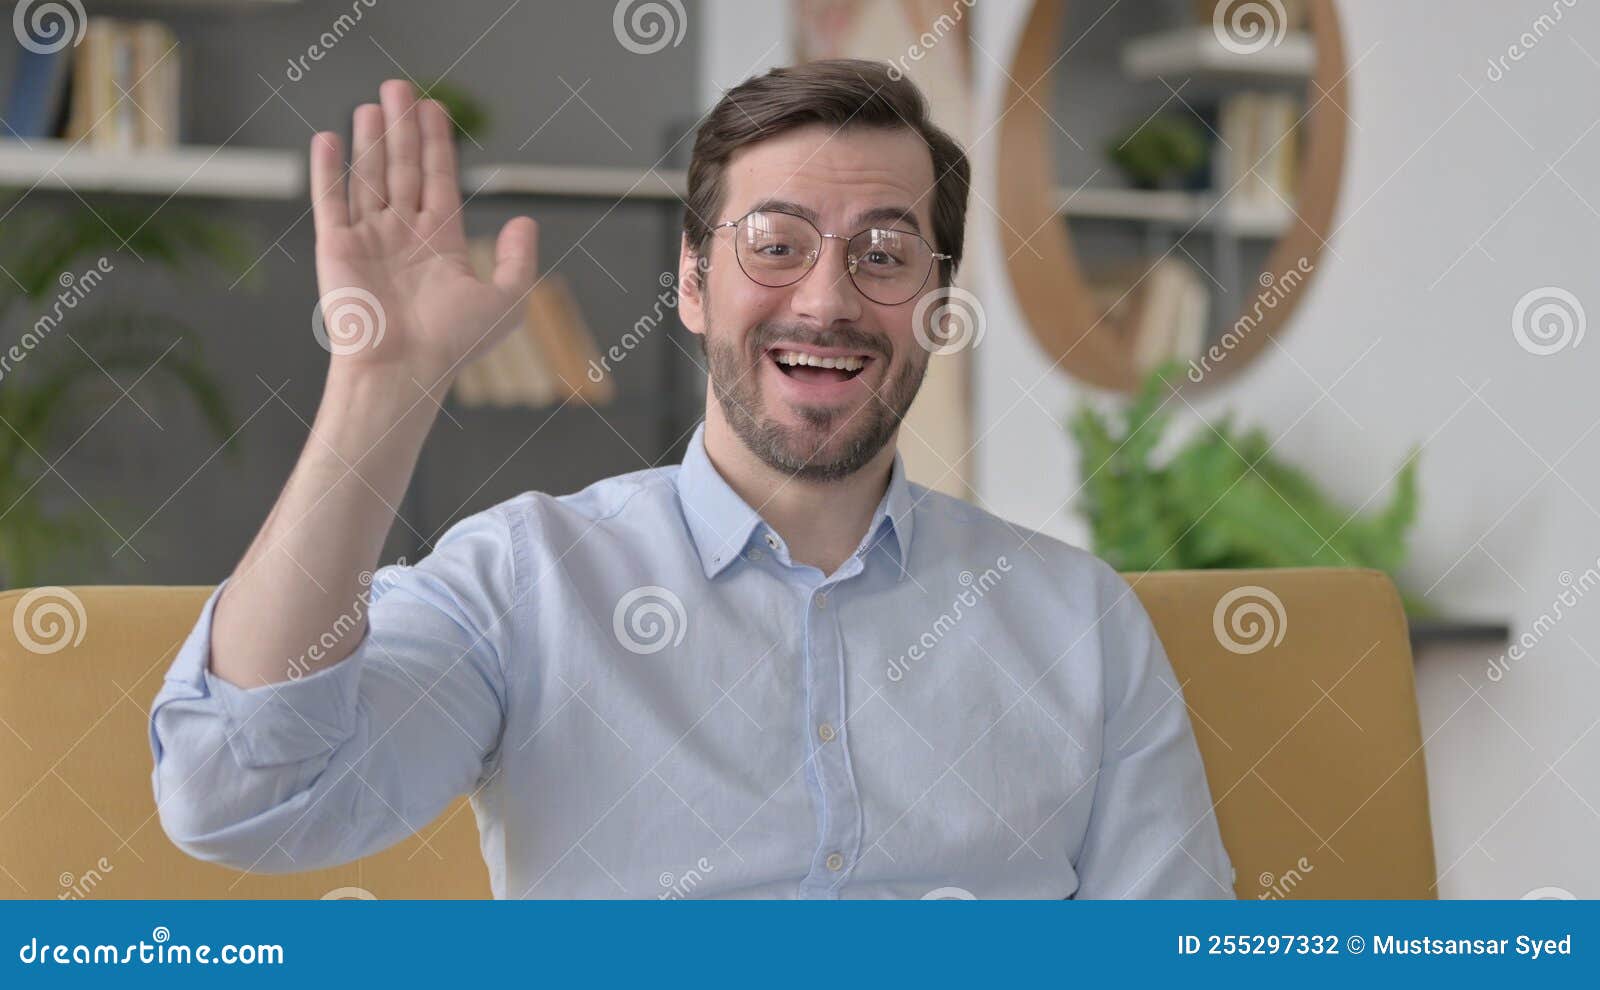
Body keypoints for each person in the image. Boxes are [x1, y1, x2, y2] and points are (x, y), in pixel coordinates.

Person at [149, 59, 1233, 900]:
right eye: (774, 244)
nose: (827, 299)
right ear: (691, 283)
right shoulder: (525, 582)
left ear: (938, 305)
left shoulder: (1076, 615)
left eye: (886, 253)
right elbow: (242, 797)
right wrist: (385, 381)